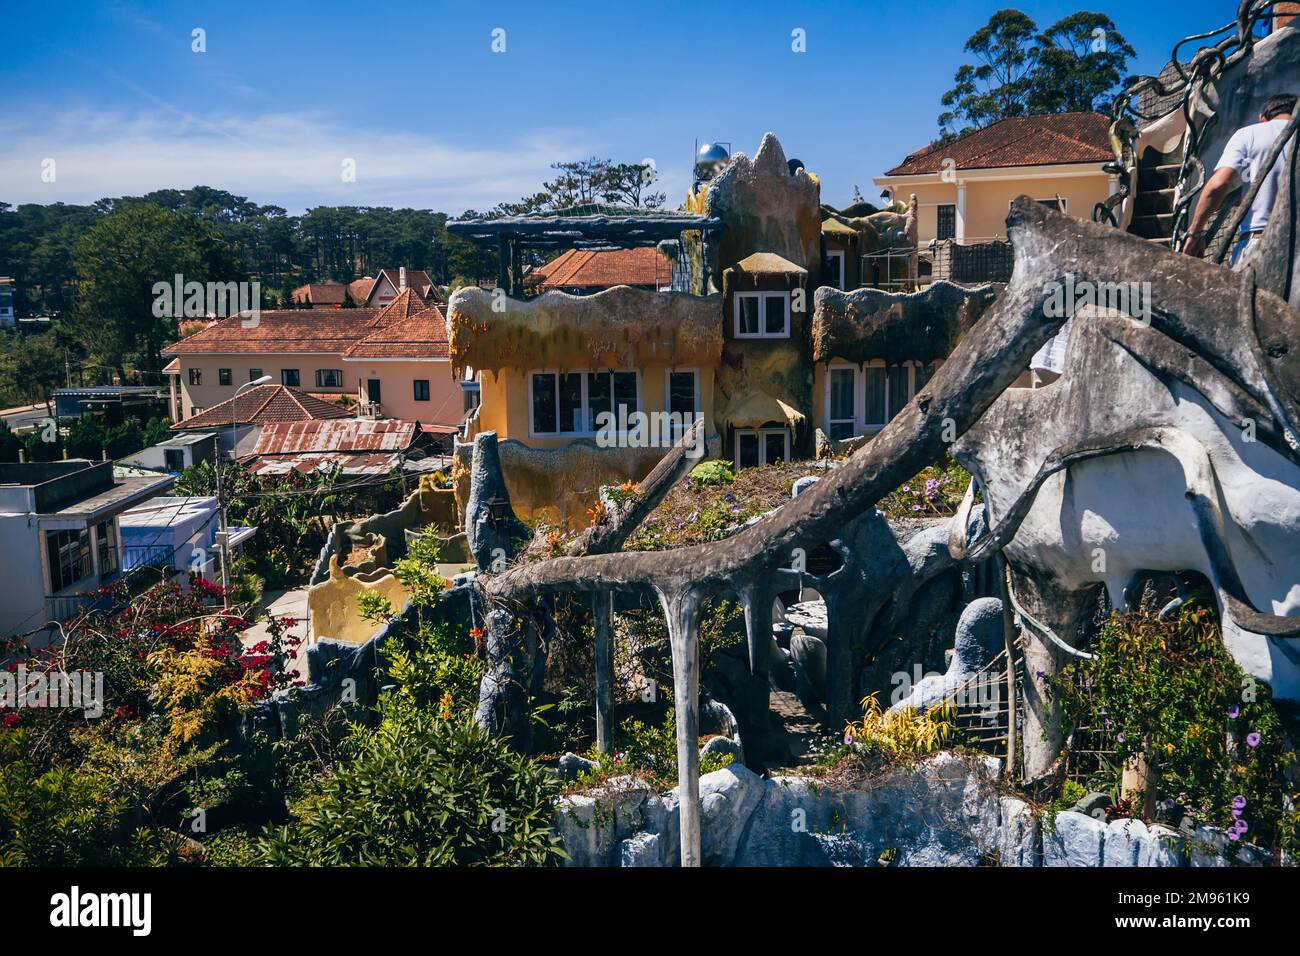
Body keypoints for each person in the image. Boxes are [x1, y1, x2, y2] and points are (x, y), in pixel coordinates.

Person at [1182, 92, 1295, 263]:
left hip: (1260, 244)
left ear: (1262, 118)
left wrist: (1195, 231)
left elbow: (1219, 184)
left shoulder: (1250, 134)